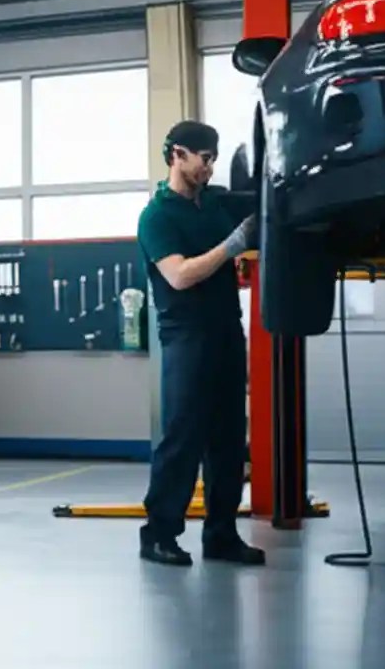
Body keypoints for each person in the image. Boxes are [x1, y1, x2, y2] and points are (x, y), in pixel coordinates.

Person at [135, 119, 265, 567]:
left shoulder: (214, 204)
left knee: (229, 440)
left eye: (214, 159)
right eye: (203, 159)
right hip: (186, 337)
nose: (209, 167)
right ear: (178, 155)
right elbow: (179, 274)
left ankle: (222, 536)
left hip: (228, 330)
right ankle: (158, 535)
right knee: (182, 437)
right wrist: (234, 244)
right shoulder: (156, 217)